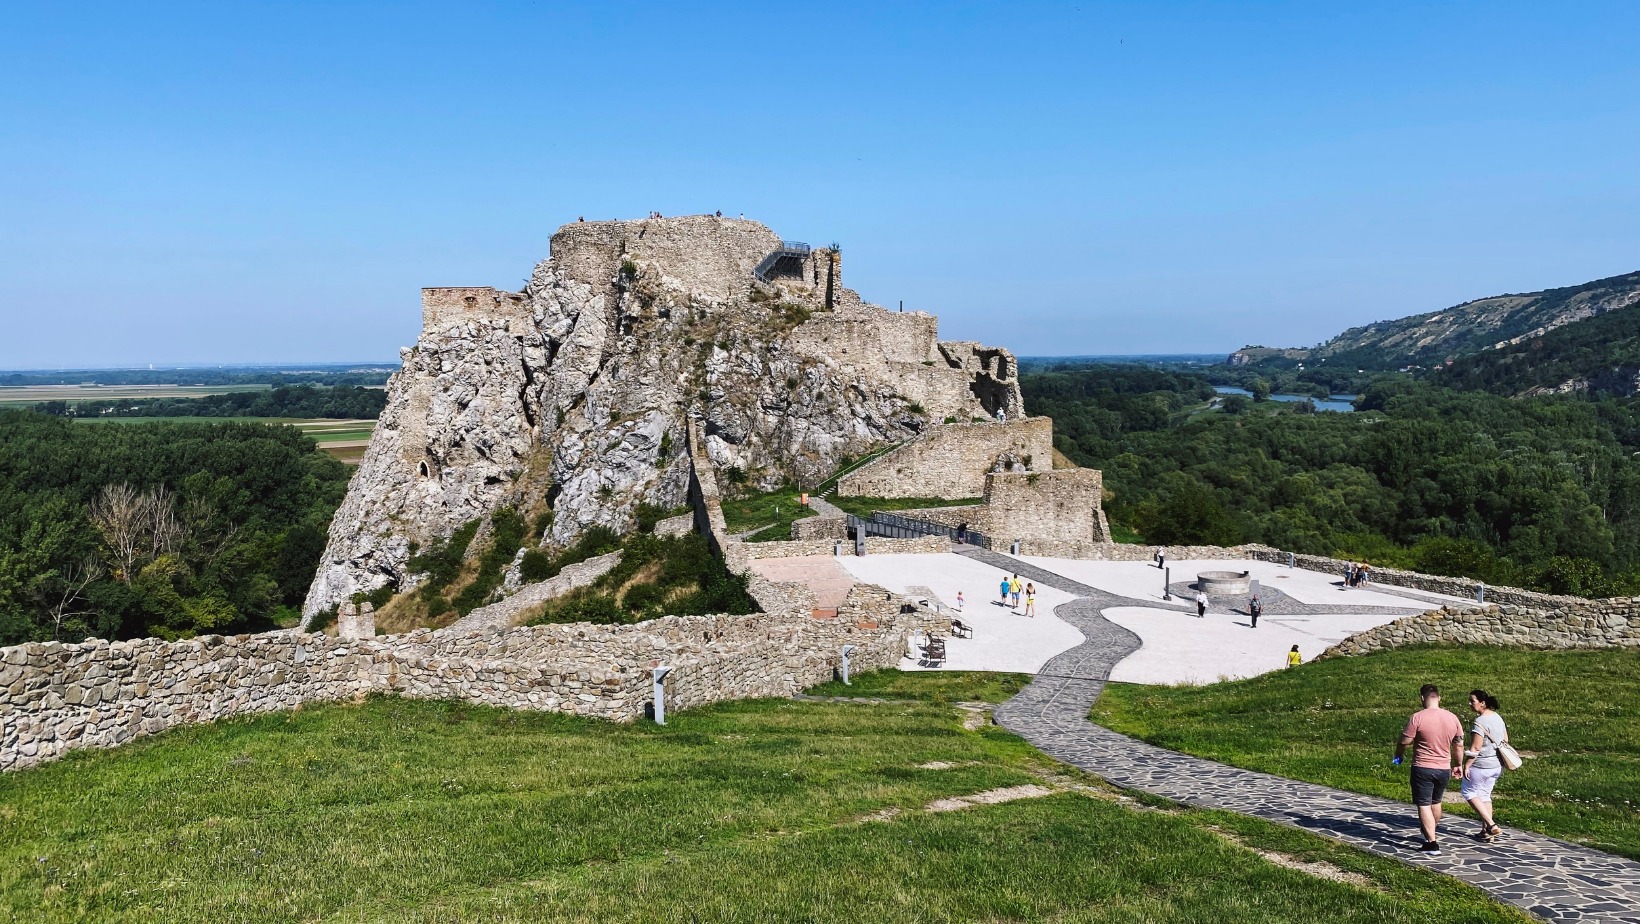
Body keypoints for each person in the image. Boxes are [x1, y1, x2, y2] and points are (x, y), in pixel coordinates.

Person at [1394, 683, 1465, 855]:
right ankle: (1431, 830)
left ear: (1421, 698)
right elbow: (1459, 744)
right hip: (1443, 767)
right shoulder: (1452, 718)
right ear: (1439, 698)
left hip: (1423, 766)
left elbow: (1405, 741)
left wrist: (1398, 755)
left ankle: (1431, 843)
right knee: (1436, 801)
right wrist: (1458, 764)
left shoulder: (1417, 717)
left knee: (1423, 804)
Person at [1461, 689, 1508, 842]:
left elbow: (1475, 748)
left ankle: (1492, 825)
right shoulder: (1497, 717)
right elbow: (1505, 740)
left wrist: (1466, 765)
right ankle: (1485, 831)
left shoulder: (1479, 723)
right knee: (1485, 795)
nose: (1469, 704)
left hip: (1481, 765)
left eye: (1472, 701)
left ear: (1482, 703)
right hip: (1496, 765)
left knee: (1468, 792)